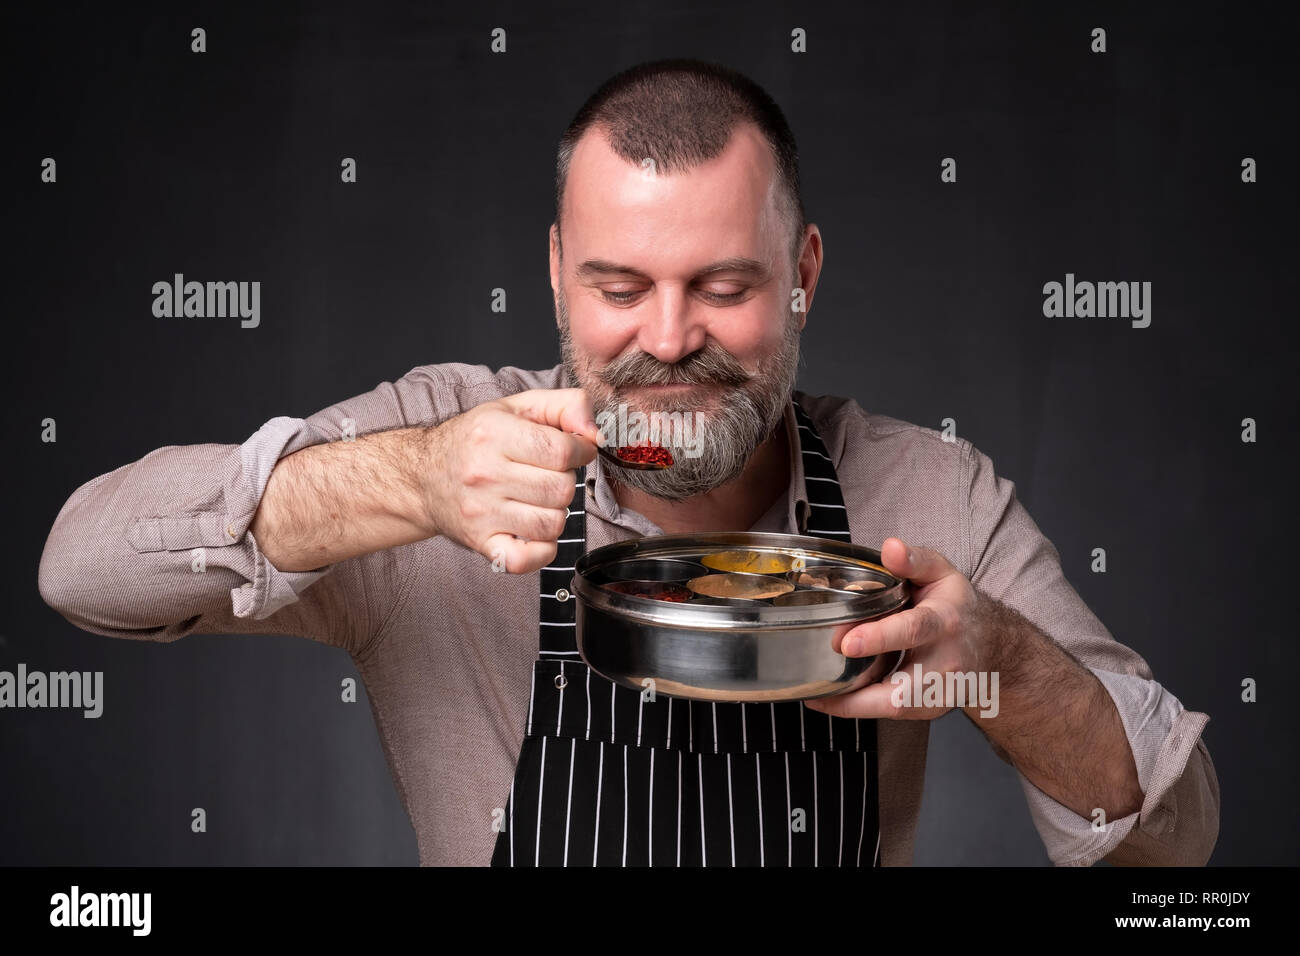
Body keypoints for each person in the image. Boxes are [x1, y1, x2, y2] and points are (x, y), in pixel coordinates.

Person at [37, 58, 1218, 867]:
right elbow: (82, 565)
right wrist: (399, 482)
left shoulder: (930, 491)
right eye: (617, 287)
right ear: (556, 272)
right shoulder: (443, 446)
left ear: (801, 273)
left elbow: (1179, 843)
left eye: (722, 286)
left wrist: (1002, 667)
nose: (665, 339)